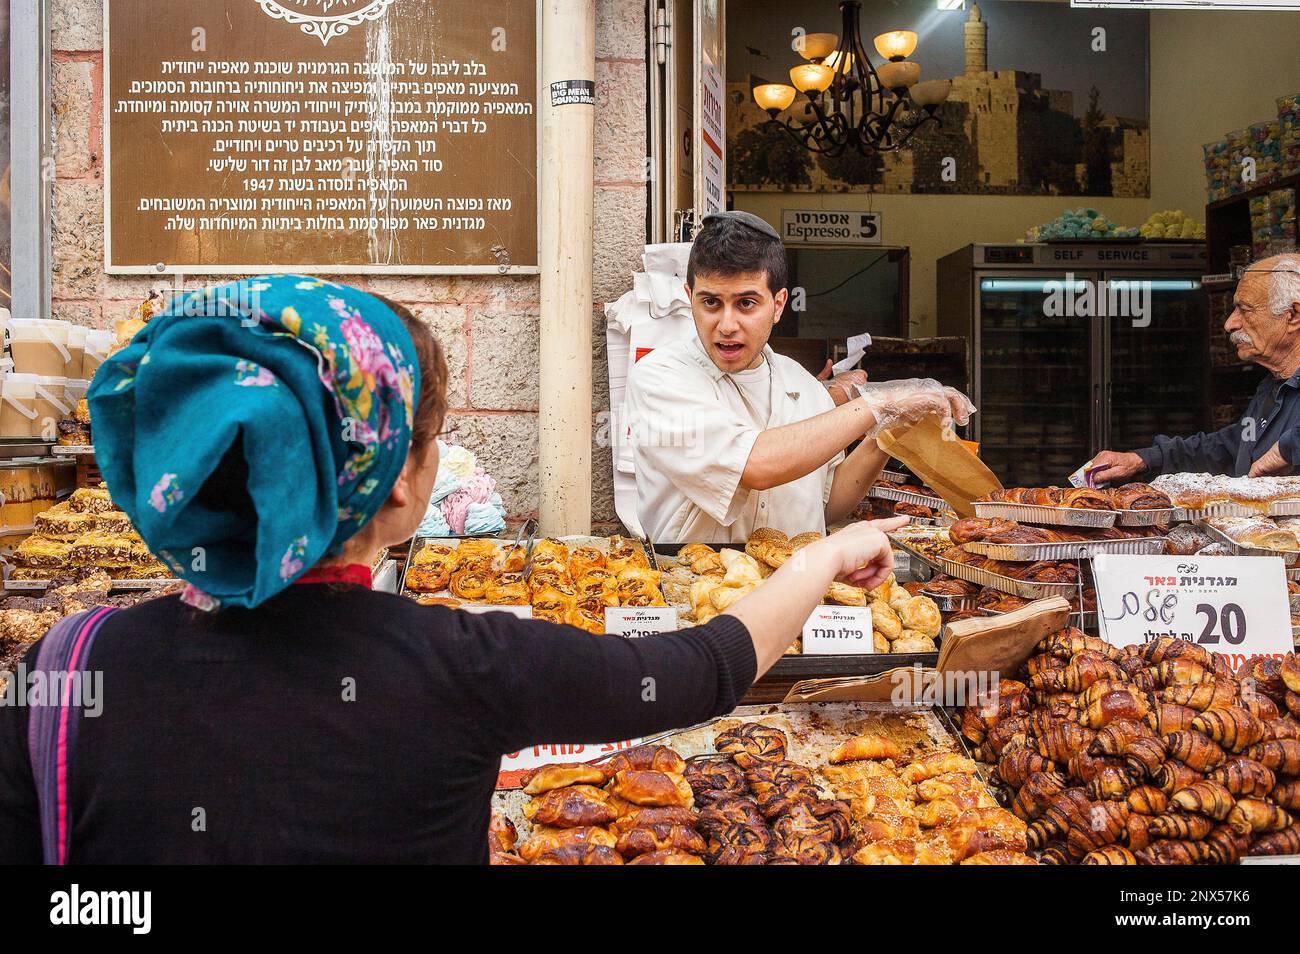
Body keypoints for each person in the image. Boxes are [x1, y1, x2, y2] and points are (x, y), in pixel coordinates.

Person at [0, 275, 905, 864]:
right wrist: (829, 551)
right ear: (404, 484)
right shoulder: (463, 665)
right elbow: (699, 668)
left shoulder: (62, 666)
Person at [625, 211, 972, 543]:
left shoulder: (802, 385)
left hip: (796, 591)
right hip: (694, 589)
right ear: (690, 299)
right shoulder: (661, 377)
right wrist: (879, 403)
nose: (727, 325)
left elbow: (827, 504)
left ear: (778, 305)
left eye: (746, 304)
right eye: (711, 303)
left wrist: (889, 430)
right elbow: (756, 464)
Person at [1092, 252, 1300, 482]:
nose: (1230, 323)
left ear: (1293, 316)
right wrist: (1143, 459)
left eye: (1246, 309)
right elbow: (1226, 449)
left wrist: (1288, 448)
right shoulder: (1271, 388)